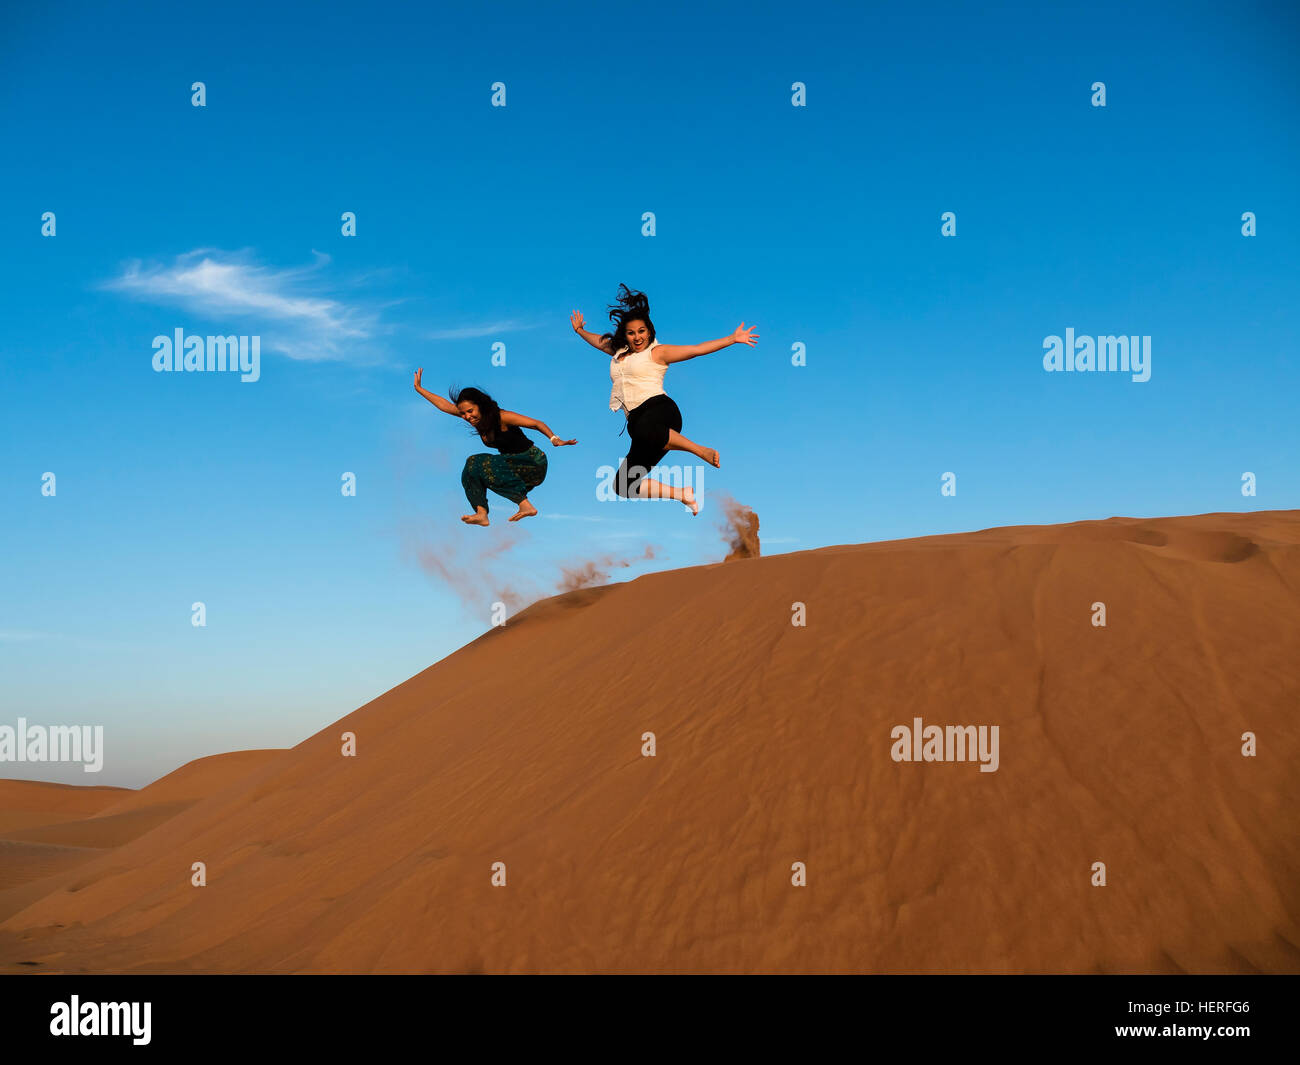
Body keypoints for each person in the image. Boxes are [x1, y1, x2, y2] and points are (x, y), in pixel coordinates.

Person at [569, 285, 758, 515]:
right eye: (631, 333)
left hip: (660, 410)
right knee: (622, 485)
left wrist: (732, 339)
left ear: (649, 331)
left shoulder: (657, 353)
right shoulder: (618, 352)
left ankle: (699, 450)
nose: (637, 337)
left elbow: (695, 350)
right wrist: (579, 331)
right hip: (638, 425)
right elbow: (600, 341)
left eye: (641, 331)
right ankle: (682, 494)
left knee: (645, 429)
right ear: (625, 335)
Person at [413, 369, 575, 526]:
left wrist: (554, 438)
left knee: (478, 462)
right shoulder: (472, 417)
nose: (467, 417)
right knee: (471, 469)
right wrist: (420, 389)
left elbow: (536, 423)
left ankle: (525, 505)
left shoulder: (501, 417)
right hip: (512, 465)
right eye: (463, 414)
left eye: (470, 411)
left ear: (481, 406)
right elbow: (445, 405)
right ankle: (482, 514)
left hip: (532, 462)